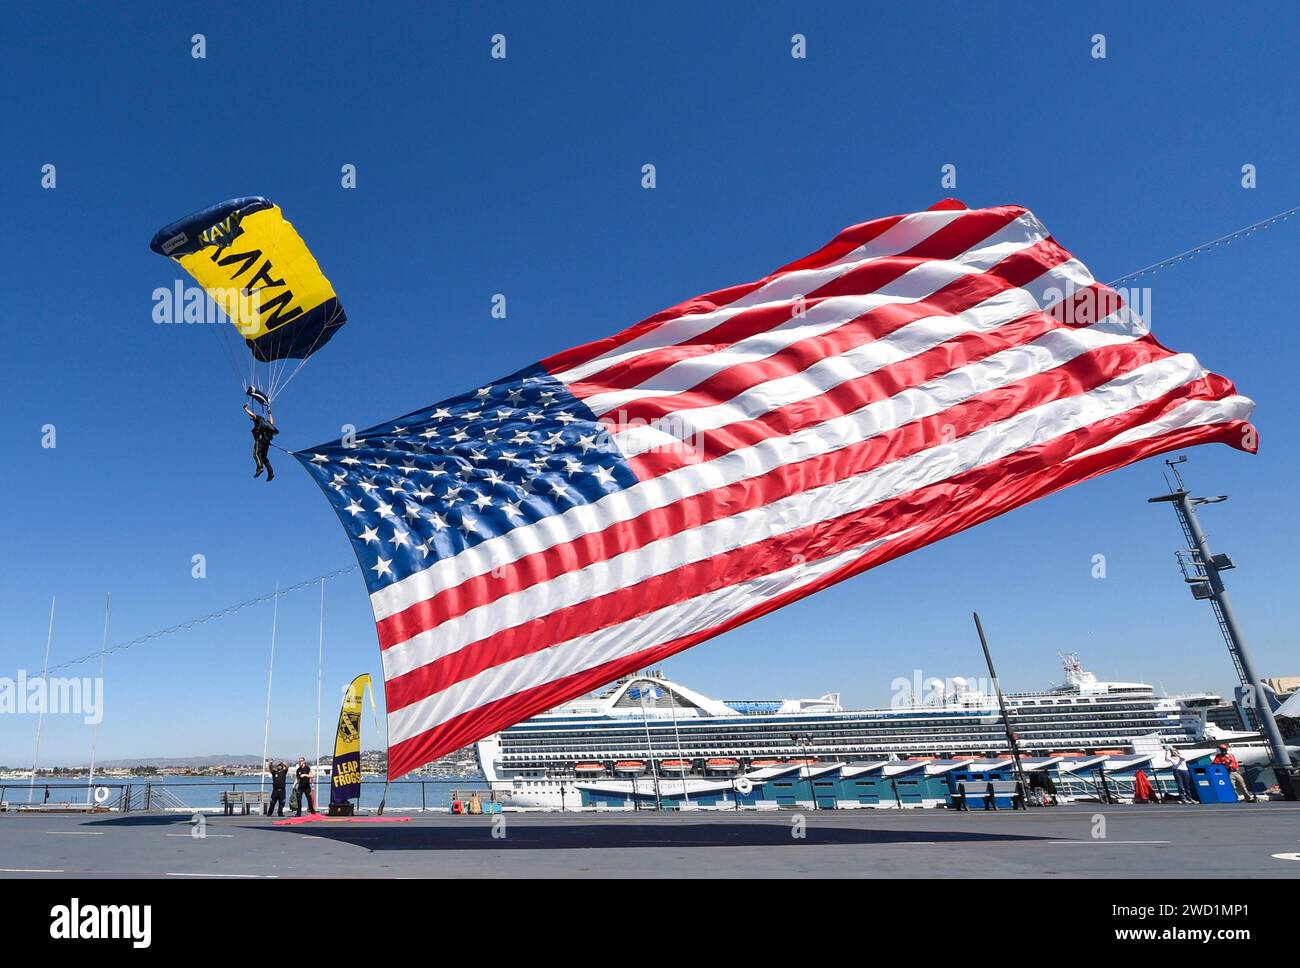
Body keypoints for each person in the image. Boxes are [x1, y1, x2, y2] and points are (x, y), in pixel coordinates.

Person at [243, 402, 279, 481]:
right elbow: (272, 421)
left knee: (255, 453)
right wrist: (269, 411)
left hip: (260, 440)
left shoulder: (258, 419)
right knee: (263, 457)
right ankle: (271, 473)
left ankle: (259, 468)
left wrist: (245, 409)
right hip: (266, 442)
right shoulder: (267, 423)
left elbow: (252, 415)